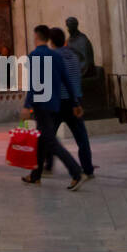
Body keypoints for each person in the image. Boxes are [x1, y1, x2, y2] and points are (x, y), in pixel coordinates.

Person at [20, 25, 83, 190]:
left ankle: (76, 172)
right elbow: (67, 80)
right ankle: (35, 176)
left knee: (51, 142)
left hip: (41, 105)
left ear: (36, 37)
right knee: (42, 140)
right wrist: (75, 103)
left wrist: (27, 106)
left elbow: (33, 83)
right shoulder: (56, 56)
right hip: (54, 103)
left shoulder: (34, 56)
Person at [45, 27, 95, 180]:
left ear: (51, 42)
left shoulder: (52, 57)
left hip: (58, 102)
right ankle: (88, 169)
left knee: (48, 136)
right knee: (81, 138)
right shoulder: (73, 57)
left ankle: (47, 166)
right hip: (74, 101)